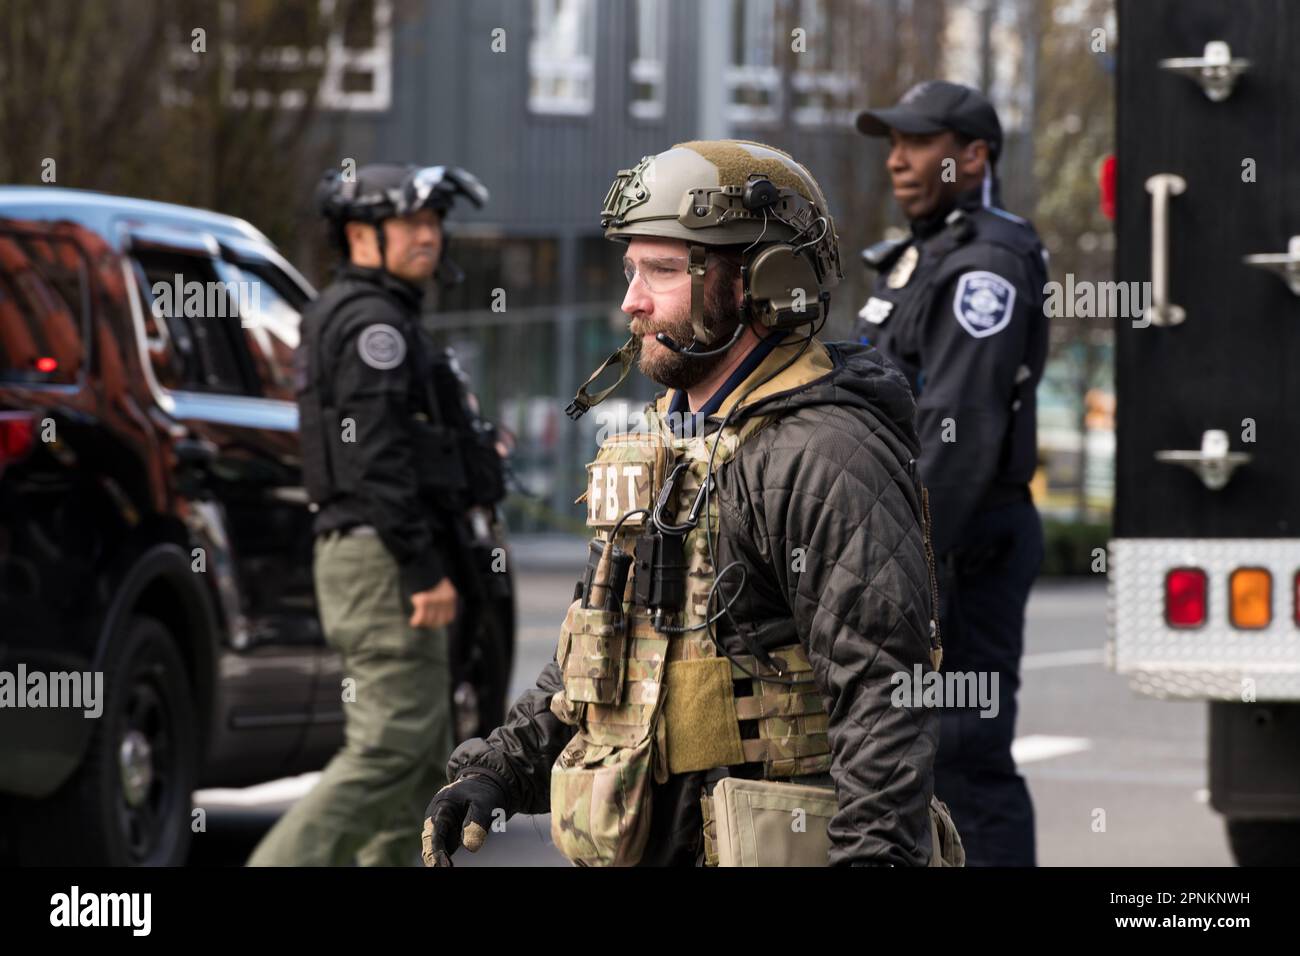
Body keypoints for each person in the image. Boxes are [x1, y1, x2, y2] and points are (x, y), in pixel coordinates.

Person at [423, 140, 963, 867]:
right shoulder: (666, 441)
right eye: (630, 269)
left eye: (662, 271)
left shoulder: (826, 454)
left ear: (759, 283)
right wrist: (501, 767)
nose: (631, 301)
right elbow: (599, 650)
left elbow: (884, 697)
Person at [247, 162, 488, 866]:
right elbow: (374, 457)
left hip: (382, 552)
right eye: (412, 223)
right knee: (392, 747)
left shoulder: (371, 314)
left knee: (420, 770)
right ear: (360, 235)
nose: (430, 236)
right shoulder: (370, 325)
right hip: (382, 559)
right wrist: (419, 567)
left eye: (435, 222)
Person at [854, 80, 1049, 866]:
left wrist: (900, 560)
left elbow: (959, 435)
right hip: (929, 540)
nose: (898, 160)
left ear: (972, 157)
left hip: (957, 547)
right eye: (893, 144)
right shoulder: (922, 254)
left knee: (962, 759)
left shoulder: (986, 264)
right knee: (911, 762)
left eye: (920, 142)